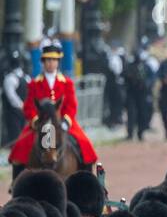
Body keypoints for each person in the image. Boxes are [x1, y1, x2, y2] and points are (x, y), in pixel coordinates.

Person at [8, 39, 100, 173]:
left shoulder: (67, 83)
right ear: (43, 62)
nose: (50, 63)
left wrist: (66, 121)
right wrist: (34, 120)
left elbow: (71, 105)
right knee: (20, 147)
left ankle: (87, 178)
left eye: (53, 60)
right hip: (40, 123)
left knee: (84, 145)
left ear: (58, 62)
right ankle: (16, 182)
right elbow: (29, 106)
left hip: (62, 122)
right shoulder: (34, 84)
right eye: (47, 60)